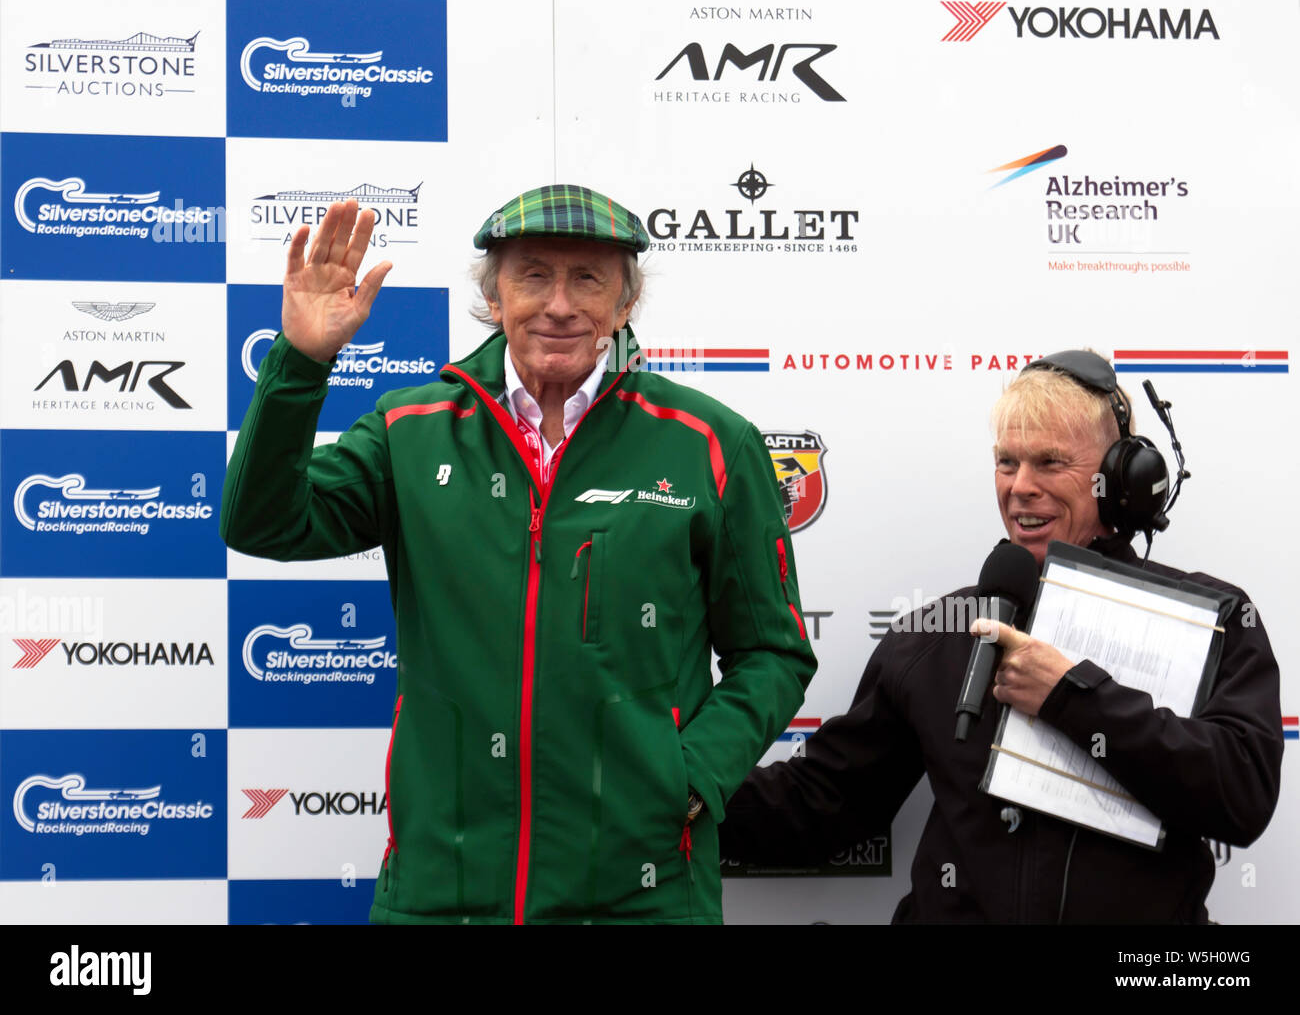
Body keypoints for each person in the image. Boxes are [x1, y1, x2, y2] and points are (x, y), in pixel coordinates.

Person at [221, 183, 816, 925]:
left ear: (624, 304)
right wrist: (301, 364)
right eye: (532, 274)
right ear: (493, 297)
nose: (559, 304)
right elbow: (262, 525)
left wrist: (687, 777)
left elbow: (773, 652)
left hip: (643, 896)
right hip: (441, 894)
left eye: (587, 279)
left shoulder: (708, 444)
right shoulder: (412, 431)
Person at [719, 351, 1283, 923]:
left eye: (1050, 463)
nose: (1021, 487)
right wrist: (670, 793)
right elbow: (823, 802)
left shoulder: (1214, 621)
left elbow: (1241, 796)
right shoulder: (937, 636)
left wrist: (1071, 695)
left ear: (1118, 479)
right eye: (1007, 462)